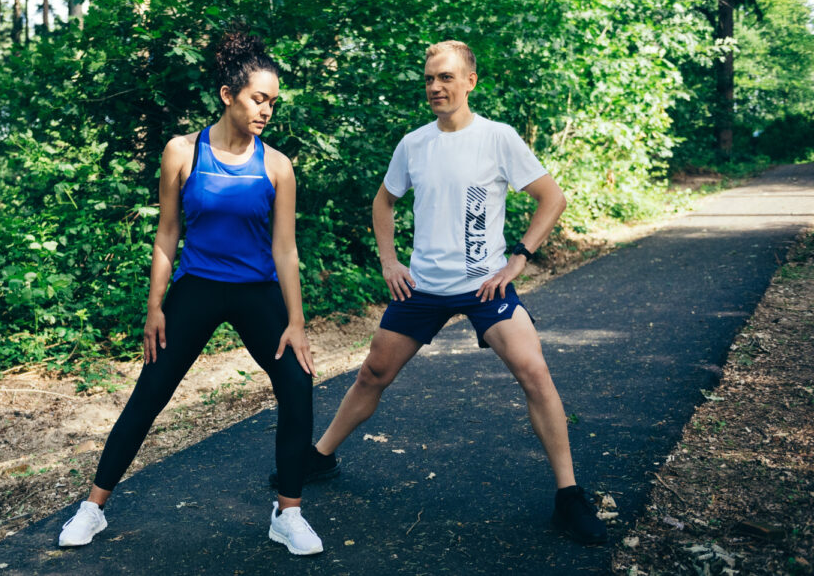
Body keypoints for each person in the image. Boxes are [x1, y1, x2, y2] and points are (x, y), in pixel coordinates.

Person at [274, 40, 607, 545]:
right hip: (423, 287)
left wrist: (520, 257)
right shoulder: (414, 144)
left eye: (446, 77)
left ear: (470, 82)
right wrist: (389, 261)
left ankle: (569, 497)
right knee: (373, 373)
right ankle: (319, 458)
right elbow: (383, 202)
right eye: (430, 78)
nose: (435, 86)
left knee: (535, 373)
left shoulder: (498, 138)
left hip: (484, 286)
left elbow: (552, 199)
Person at [57, 32, 324, 556]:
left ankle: (288, 513)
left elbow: (285, 248)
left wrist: (296, 322)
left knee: (297, 384)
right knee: (150, 392)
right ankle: (93, 507)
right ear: (228, 95)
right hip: (197, 286)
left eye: (272, 102)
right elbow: (167, 233)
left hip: (256, 290)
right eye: (258, 99)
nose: (266, 111)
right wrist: (154, 307)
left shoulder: (277, 165)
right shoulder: (183, 152)